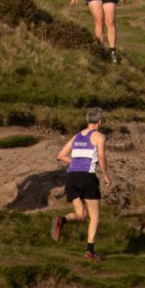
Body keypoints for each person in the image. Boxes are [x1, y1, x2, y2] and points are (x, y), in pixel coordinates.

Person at [53, 107, 108, 263]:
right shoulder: (99, 136)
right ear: (100, 121)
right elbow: (102, 156)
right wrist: (105, 175)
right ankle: (89, 251)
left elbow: (61, 155)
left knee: (81, 215)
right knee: (95, 216)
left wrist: (76, 162)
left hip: (71, 177)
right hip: (87, 177)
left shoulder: (77, 136)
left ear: (86, 120)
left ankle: (61, 220)